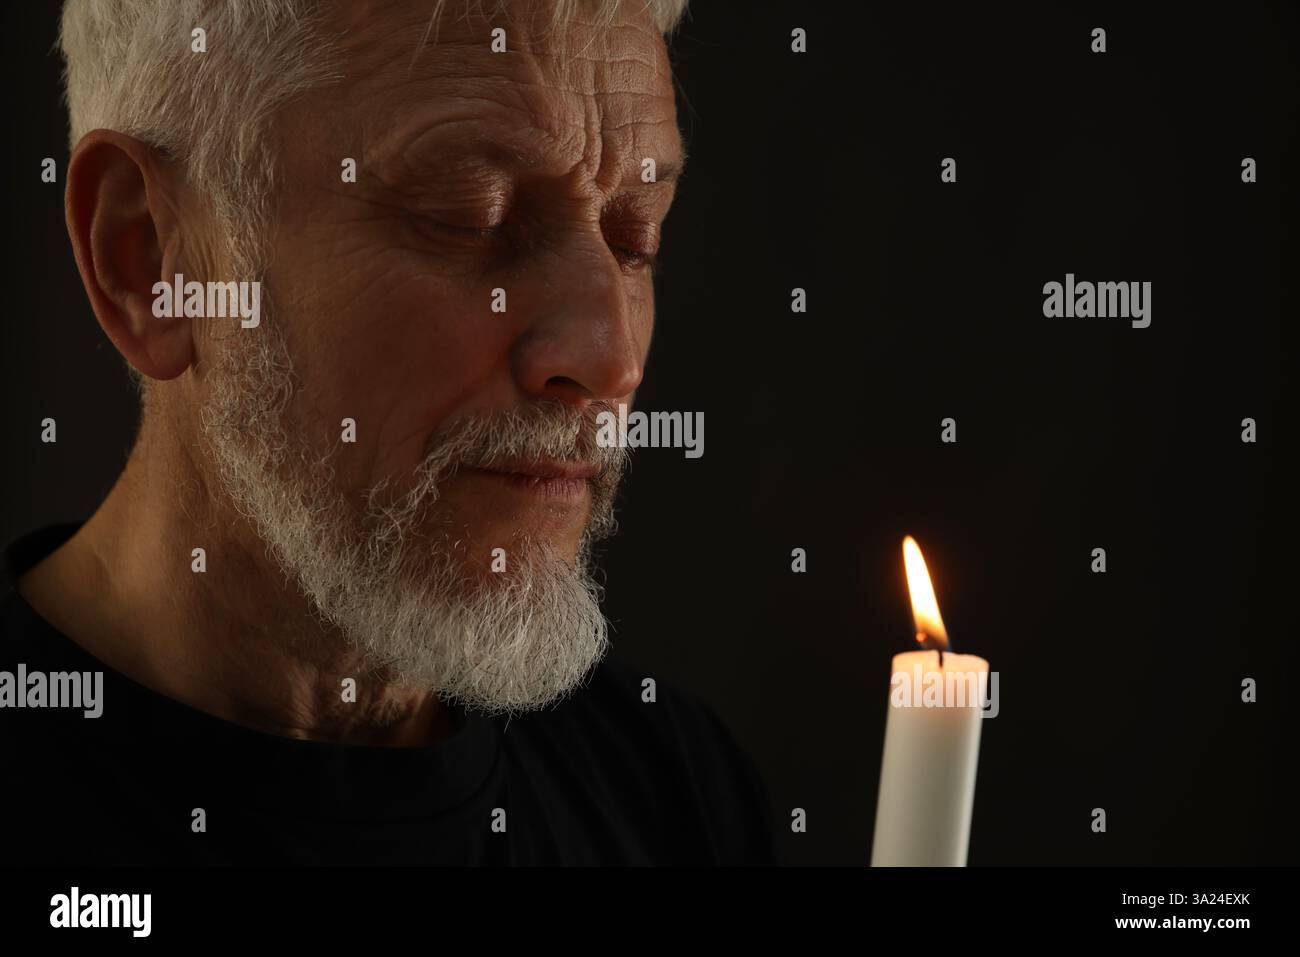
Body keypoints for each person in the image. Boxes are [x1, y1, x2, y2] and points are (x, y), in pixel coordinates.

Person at [0, 0, 778, 866]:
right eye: (468, 215)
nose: (613, 360)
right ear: (151, 260)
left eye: (635, 238)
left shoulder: (675, 794)